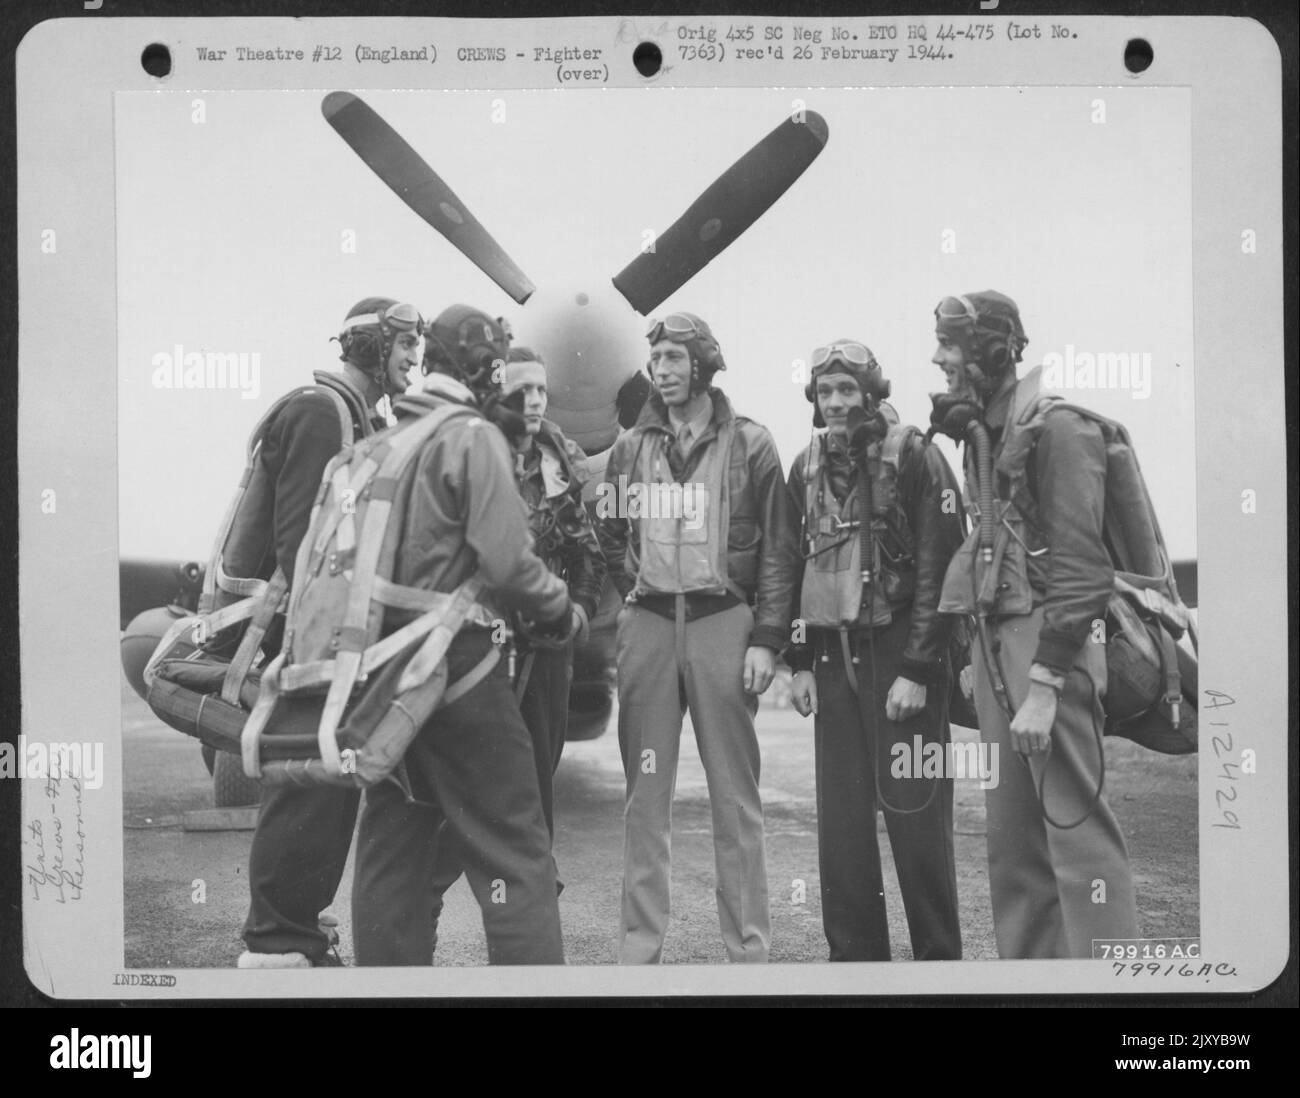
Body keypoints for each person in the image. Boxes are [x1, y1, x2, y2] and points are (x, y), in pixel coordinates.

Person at [350, 307, 581, 966]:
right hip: (463, 674)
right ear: (485, 368)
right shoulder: (472, 437)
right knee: (517, 852)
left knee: (393, 853)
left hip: (384, 684)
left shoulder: (377, 445)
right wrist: (562, 610)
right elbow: (509, 565)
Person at [929, 290, 1139, 959]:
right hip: (995, 648)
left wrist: (1047, 683)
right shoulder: (981, 437)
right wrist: (974, 651)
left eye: (951, 344)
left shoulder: (1061, 429)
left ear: (991, 349)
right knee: (1011, 845)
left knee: (1077, 839)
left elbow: (1083, 570)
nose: (938, 358)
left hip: (1052, 647)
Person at [598, 312, 795, 964]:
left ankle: (749, 956)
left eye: (676, 357)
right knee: (643, 802)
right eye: (656, 358)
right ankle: (637, 955)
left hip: (722, 625)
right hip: (649, 625)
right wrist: (628, 607)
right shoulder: (631, 449)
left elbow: (778, 550)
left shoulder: (751, 445)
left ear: (703, 363)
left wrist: (768, 638)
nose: (664, 369)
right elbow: (605, 538)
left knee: (734, 800)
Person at [238, 297, 423, 968]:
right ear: (371, 346)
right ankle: (277, 941)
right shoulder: (322, 412)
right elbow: (304, 544)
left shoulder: (354, 415)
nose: (414, 358)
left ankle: (297, 935)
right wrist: (336, 640)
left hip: (329, 634)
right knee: (304, 787)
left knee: (323, 785)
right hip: (314, 636)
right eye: (404, 345)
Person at [784, 341, 965, 961]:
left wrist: (917, 668)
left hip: (901, 658)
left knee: (917, 826)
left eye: (847, 391)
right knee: (843, 833)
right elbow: (790, 571)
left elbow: (943, 571)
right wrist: (800, 662)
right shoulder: (804, 468)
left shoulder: (918, 457)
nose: (835, 403)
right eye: (825, 392)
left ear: (871, 393)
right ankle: (856, 970)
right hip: (833, 657)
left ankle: (940, 971)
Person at [426, 345, 607, 950]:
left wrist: (576, 610)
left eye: (540, 392)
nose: (533, 402)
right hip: (478, 647)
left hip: (547, 650)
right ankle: (443, 903)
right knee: (456, 796)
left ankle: (532, 915)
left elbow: (590, 550)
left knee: (537, 785)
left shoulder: (563, 458)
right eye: (521, 390)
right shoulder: (472, 447)